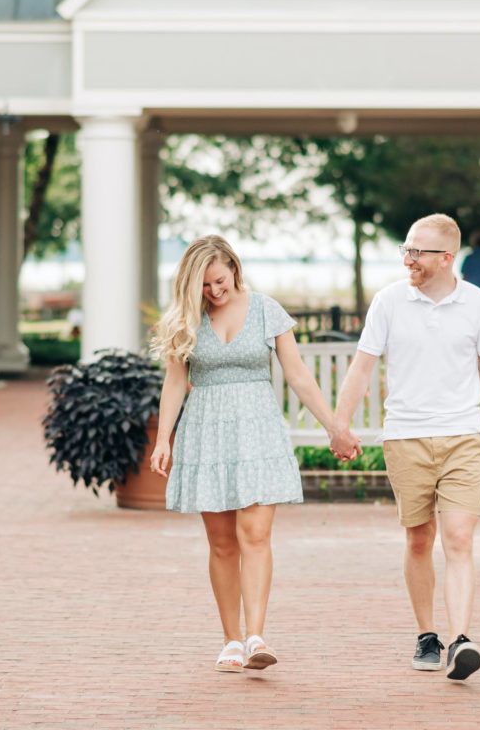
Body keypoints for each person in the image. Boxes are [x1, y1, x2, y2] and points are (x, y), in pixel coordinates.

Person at [149, 235, 359, 673]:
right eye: (205, 286)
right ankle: (229, 639)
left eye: (220, 281)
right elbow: (174, 383)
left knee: (256, 536)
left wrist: (334, 428)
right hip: (207, 434)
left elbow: (299, 376)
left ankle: (256, 636)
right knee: (222, 543)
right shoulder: (186, 319)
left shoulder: (266, 309)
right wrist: (163, 438)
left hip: (258, 433)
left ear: (234, 268)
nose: (214, 292)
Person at [332, 213, 480, 682]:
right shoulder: (389, 302)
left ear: (447, 258)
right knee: (419, 539)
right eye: (407, 249)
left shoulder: (479, 305)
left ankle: (460, 640)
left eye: (419, 251)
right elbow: (361, 368)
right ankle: (426, 634)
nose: (409, 258)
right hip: (406, 436)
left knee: (458, 537)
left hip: (462, 436)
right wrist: (340, 424)